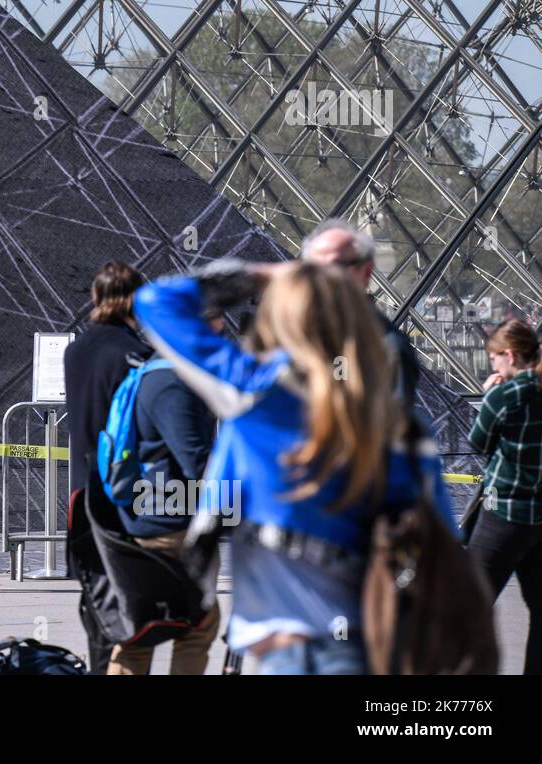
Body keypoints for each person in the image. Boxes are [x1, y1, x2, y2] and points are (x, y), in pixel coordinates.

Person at [133, 259, 455, 674]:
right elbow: (442, 545)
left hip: (286, 646)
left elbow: (155, 303)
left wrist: (258, 275)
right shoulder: (403, 427)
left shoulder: (257, 393)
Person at [108, 344, 219, 674]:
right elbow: (195, 460)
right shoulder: (172, 381)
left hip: (152, 513)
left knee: (140, 632)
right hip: (170, 522)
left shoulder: (152, 372)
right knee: (196, 626)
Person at [466, 320, 542, 674]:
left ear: (509, 355)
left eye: (494, 357)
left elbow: (478, 443)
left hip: (504, 514)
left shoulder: (504, 395)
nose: (493, 365)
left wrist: (488, 398)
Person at [301, 219, 420, 412]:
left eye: (334, 267)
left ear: (365, 272)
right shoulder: (289, 334)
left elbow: (391, 428)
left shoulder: (388, 348)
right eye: (312, 269)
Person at [65, 261, 152, 494]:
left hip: (81, 485)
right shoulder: (136, 354)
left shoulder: (74, 350)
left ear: (96, 295)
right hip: (123, 484)